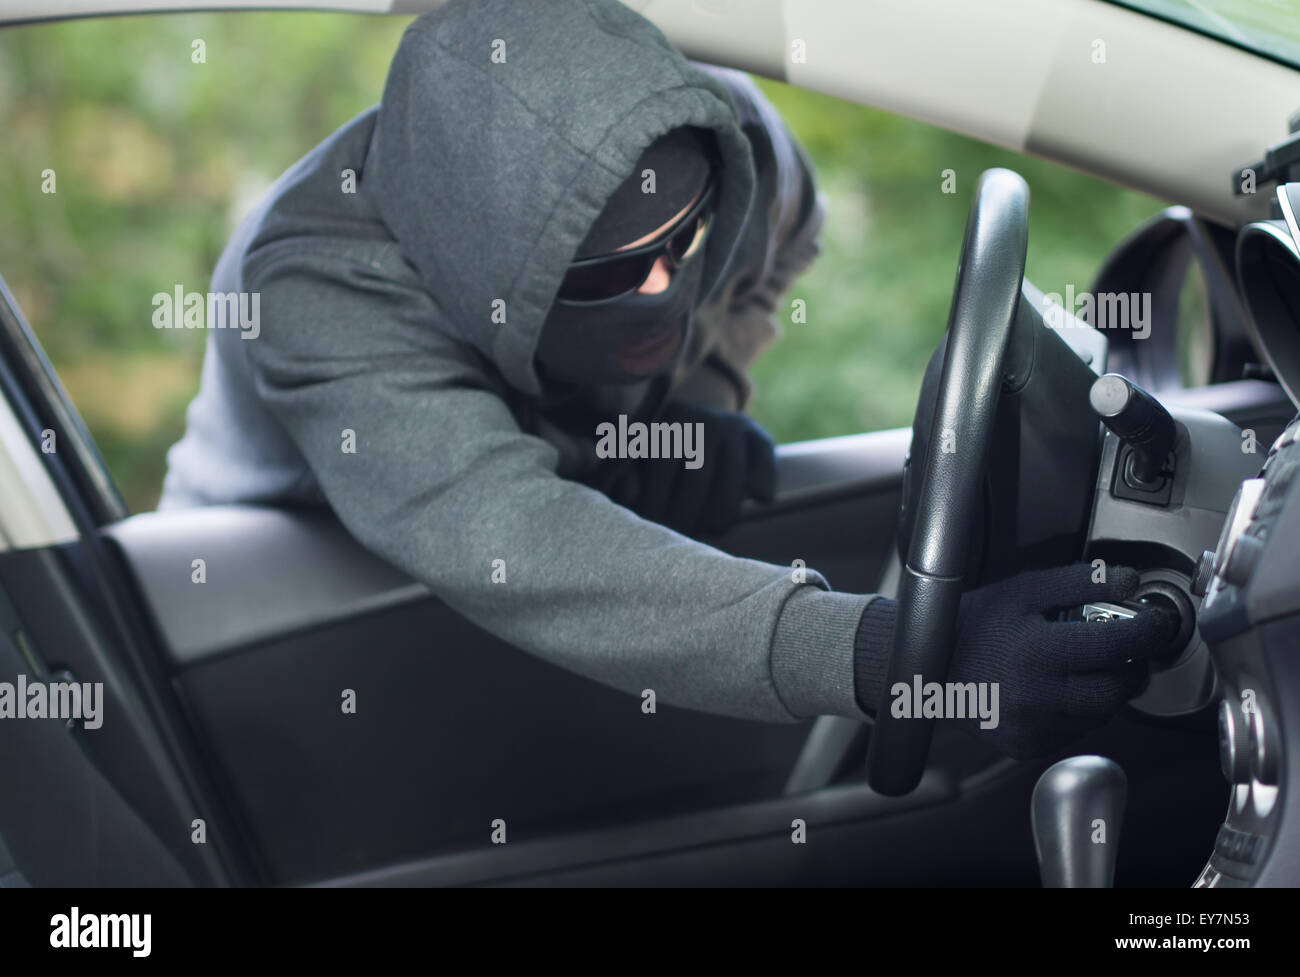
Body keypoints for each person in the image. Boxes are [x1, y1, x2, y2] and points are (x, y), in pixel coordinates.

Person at [159, 0, 1173, 759]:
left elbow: (779, 242)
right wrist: (909, 659)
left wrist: (703, 394)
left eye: (683, 241)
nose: (663, 281)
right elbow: (505, 533)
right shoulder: (310, 285)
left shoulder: (718, 145)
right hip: (284, 565)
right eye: (606, 273)